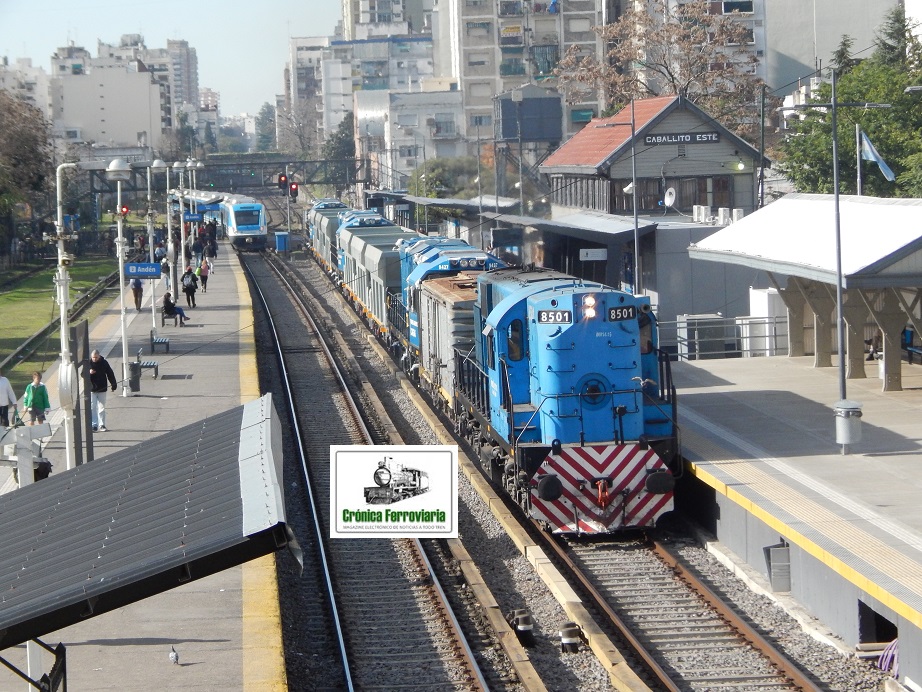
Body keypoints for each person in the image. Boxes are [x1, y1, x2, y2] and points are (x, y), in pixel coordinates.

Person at [87, 350, 117, 432]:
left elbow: (110, 373)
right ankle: (94, 425)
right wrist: (89, 372)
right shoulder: (88, 363)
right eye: (93, 357)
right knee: (92, 407)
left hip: (102, 388)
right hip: (92, 389)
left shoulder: (104, 363)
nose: (94, 359)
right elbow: (83, 374)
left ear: (99, 356)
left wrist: (113, 384)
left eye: (96, 357)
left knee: (101, 407)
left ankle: (102, 424)